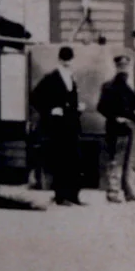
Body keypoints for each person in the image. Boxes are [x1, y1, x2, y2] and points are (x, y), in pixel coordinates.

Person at [30, 46, 86, 206]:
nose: (68, 63)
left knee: (75, 159)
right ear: (59, 60)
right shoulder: (51, 77)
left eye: (70, 60)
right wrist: (50, 110)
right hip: (58, 126)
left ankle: (74, 195)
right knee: (61, 159)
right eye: (65, 60)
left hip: (72, 125)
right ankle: (61, 196)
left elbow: (71, 99)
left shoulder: (72, 78)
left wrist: (78, 107)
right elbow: (35, 97)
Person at [96, 54, 135, 204]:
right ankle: (113, 192)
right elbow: (101, 107)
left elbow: (134, 105)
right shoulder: (109, 87)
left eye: (126, 66)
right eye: (121, 66)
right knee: (115, 161)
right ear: (116, 67)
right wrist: (116, 117)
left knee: (129, 162)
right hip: (116, 129)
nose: (124, 69)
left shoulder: (128, 88)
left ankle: (129, 191)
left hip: (129, 128)